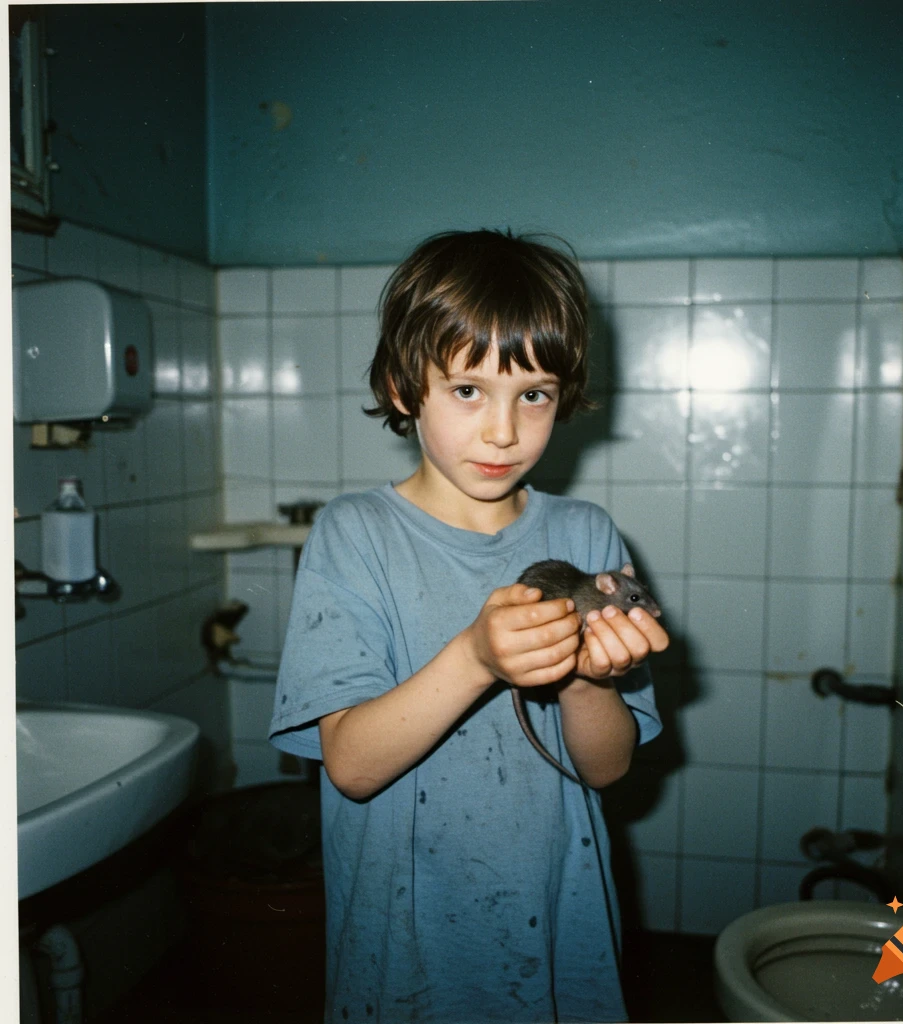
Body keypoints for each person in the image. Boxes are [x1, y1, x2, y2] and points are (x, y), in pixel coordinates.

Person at [268, 229, 669, 1023]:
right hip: (405, 938)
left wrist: (592, 678)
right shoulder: (355, 534)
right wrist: (477, 657)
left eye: (535, 394)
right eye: (466, 390)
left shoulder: (589, 537)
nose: (502, 431)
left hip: (557, 913)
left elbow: (608, 769)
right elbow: (349, 767)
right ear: (400, 385)